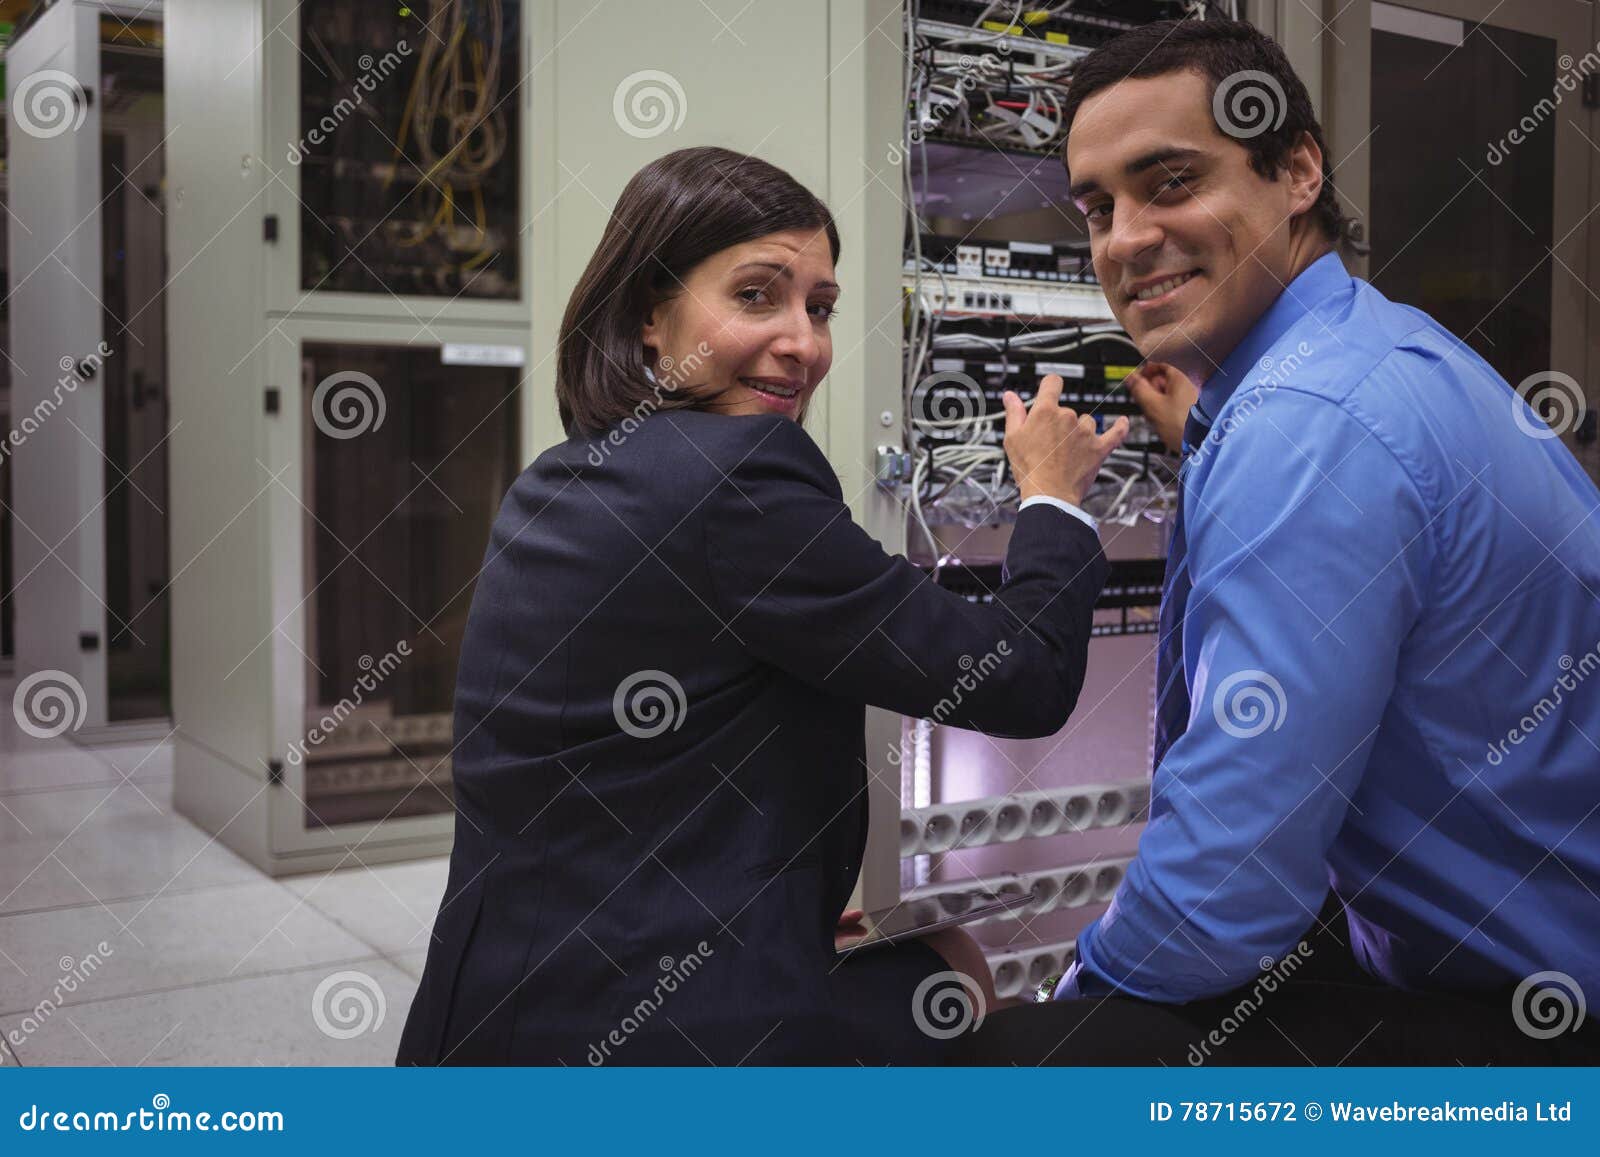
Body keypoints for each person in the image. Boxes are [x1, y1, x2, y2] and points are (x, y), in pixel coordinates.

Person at [396, 146, 1129, 1065]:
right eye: (756, 296)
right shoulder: (741, 473)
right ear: (649, 320)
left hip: (483, 1028)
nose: (805, 342)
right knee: (958, 967)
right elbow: (1024, 675)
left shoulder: (558, 480)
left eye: (819, 307)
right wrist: (1052, 498)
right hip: (660, 1050)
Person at [961, 19, 1600, 1065]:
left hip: (1539, 1032)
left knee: (1011, 1072)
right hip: (1487, 964)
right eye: (1097, 205)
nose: (1123, 239)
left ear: (1297, 168)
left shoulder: (1310, 421)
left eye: (1169, 183)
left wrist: (1069, 1004)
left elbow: (1220, 893)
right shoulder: (1364, 353)